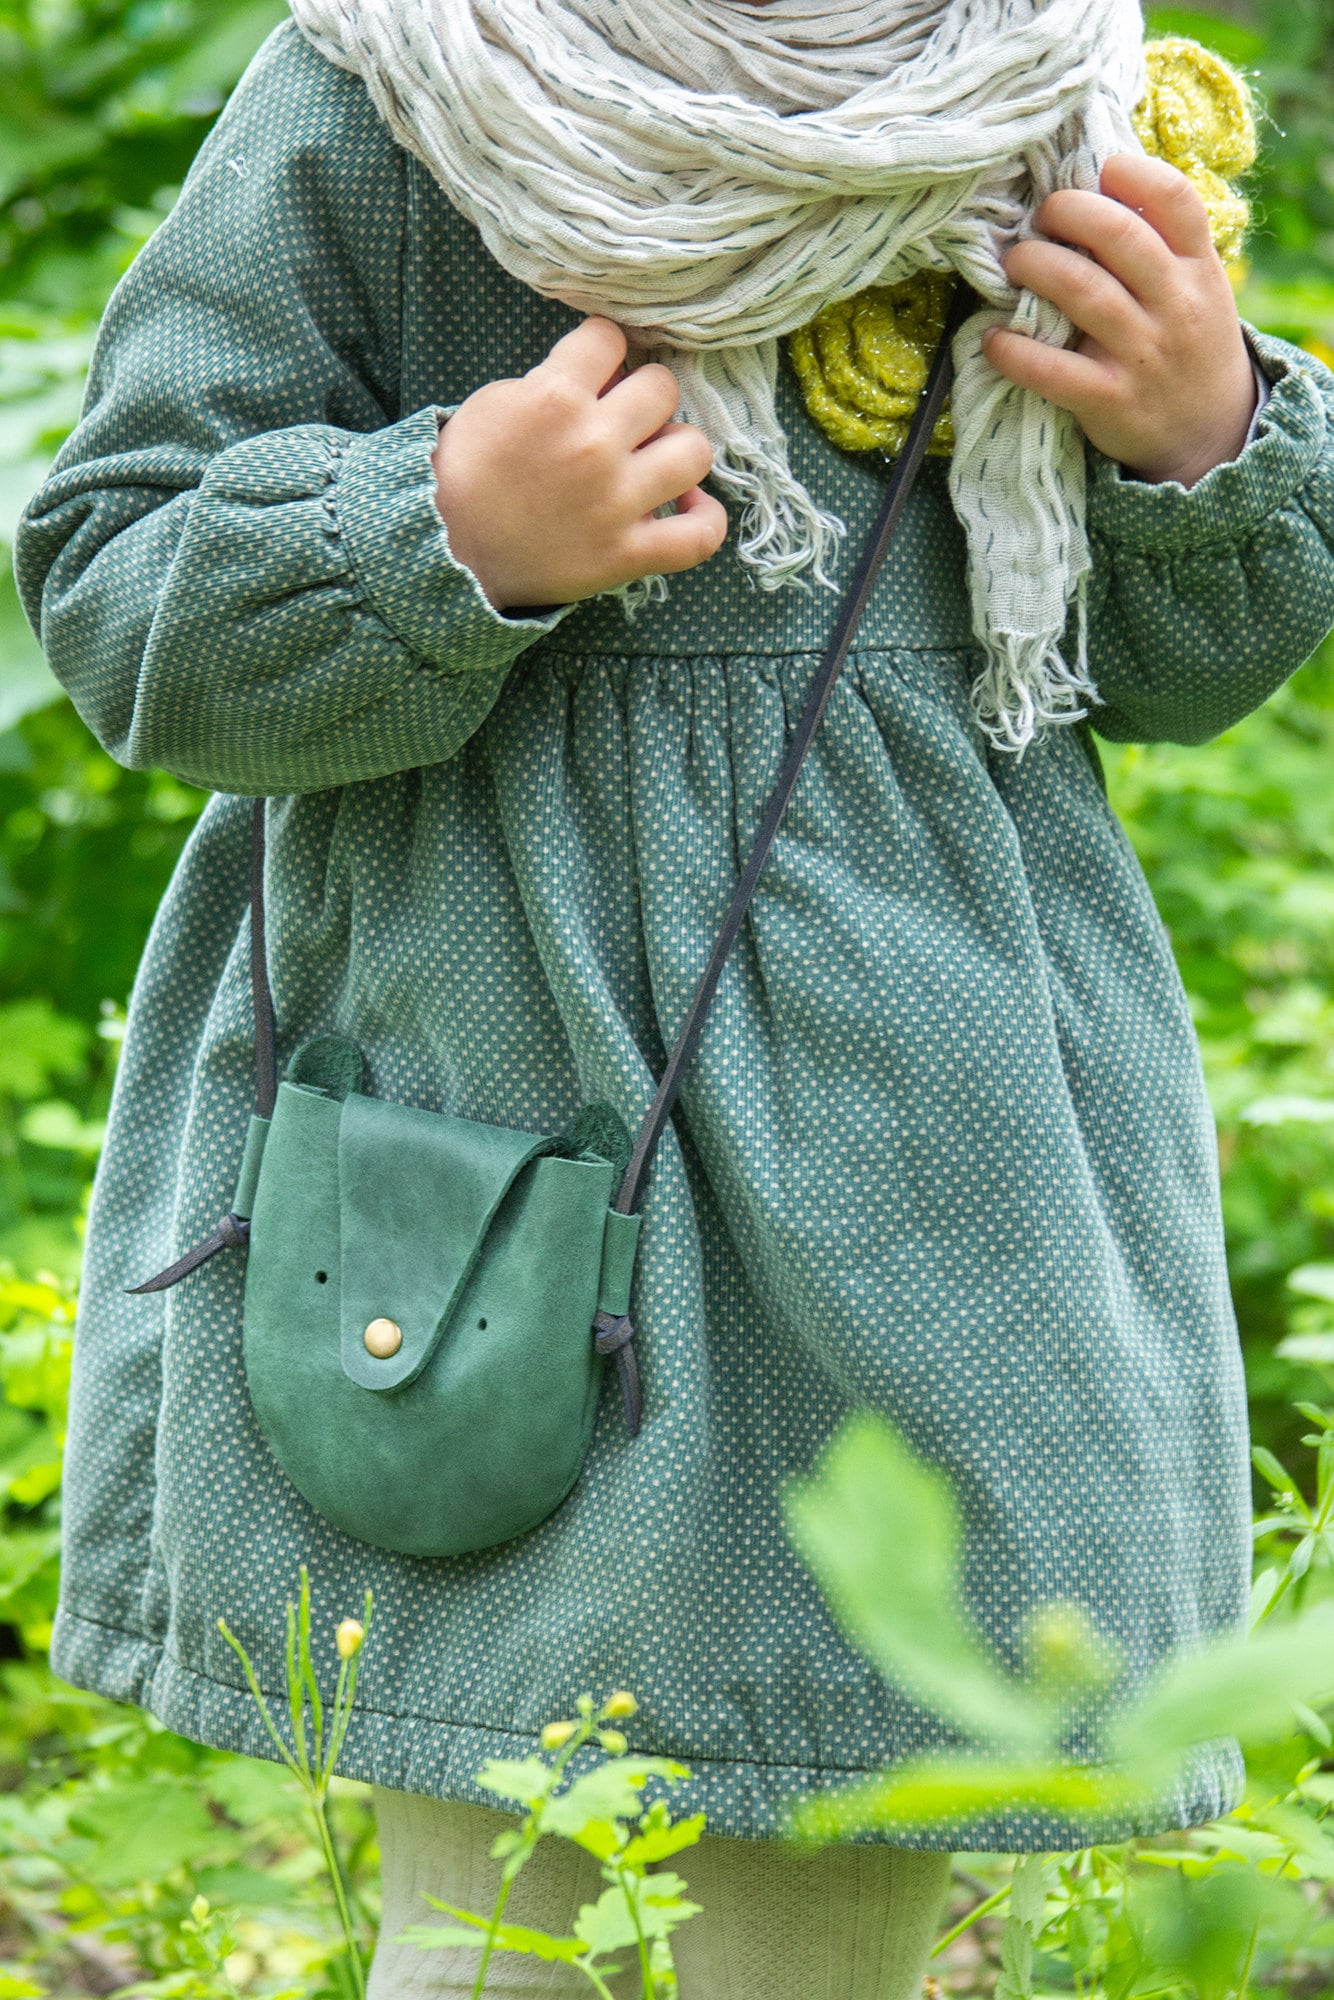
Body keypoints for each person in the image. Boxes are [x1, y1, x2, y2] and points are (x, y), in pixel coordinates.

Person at [15, 3, 1334, 1994]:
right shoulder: (404, 93)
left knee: (827, 1859)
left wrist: (1194, 437)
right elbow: (122, 594)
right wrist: (437, 531)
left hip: (923, 1160)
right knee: (497, 1908)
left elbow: (1171, 662)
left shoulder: (1023, 110)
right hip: (493, 1101)